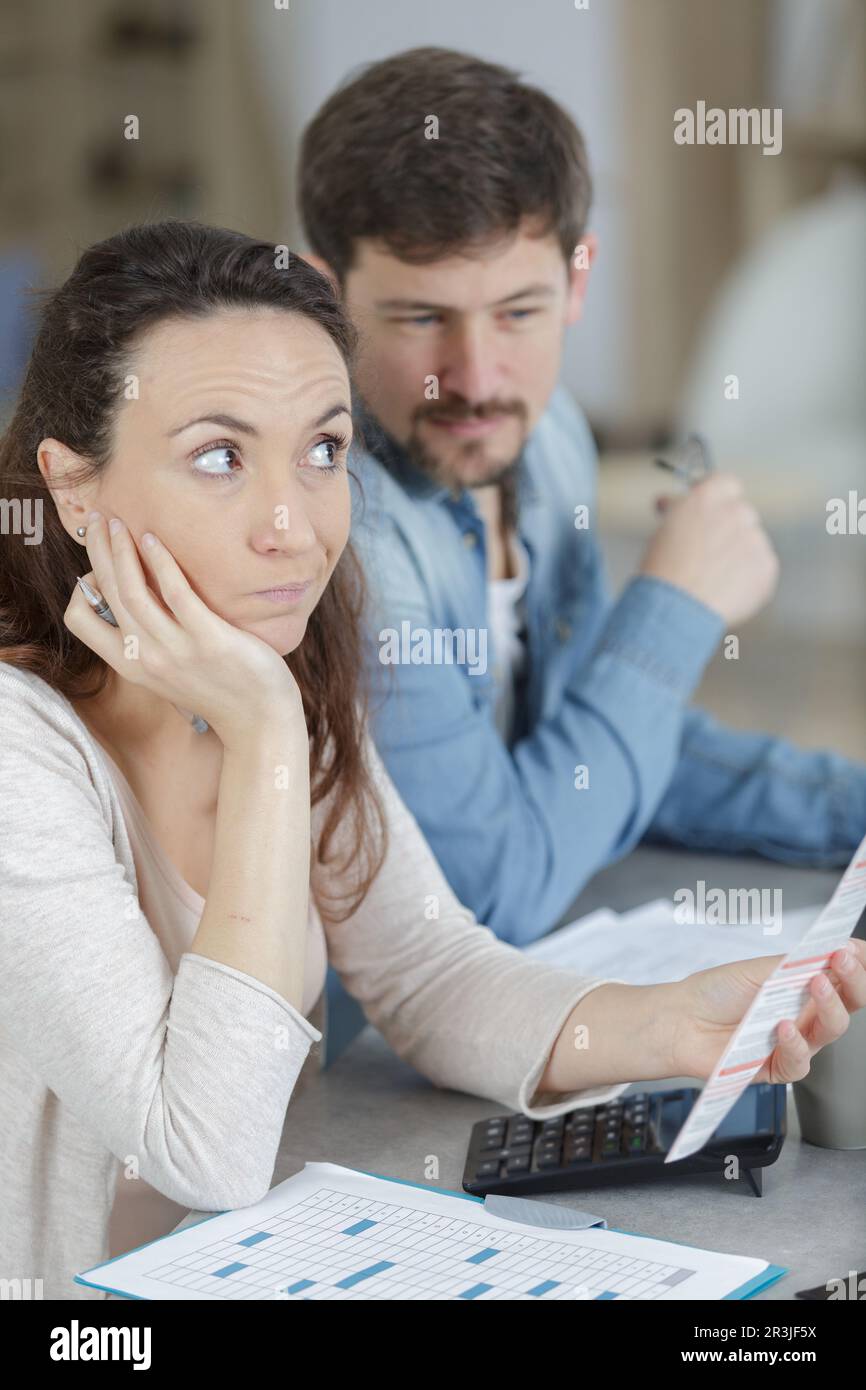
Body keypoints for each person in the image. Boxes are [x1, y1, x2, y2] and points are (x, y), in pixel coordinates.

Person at [1, 221, 862, 1301]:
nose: (293, 526)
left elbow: (424, 968)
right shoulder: (27, 752)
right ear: (73, 490)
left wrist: (662, 1021)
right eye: (219, 456)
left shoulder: (276, 664)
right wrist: (268, 735)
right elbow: (204, 1148)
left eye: (322, 451)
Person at [297, 46, 866, 946]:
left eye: (519, 312)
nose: (477, 380)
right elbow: (491, 890)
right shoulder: (335, 533)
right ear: (324, 299)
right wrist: (674, 610)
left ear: (577, 280)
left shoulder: (547, 430)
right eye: (421, 318)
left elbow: (609, 746)